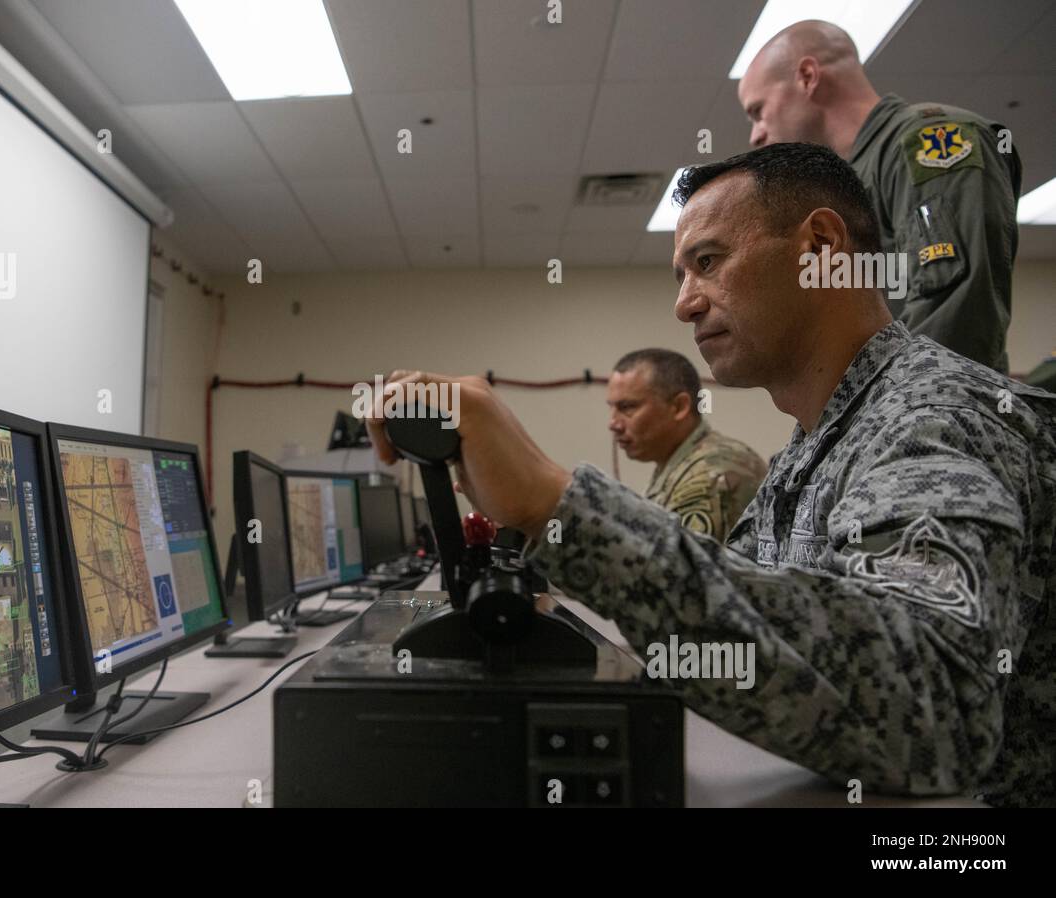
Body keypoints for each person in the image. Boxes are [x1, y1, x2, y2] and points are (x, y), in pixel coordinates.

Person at [367, 144, 1055, 807]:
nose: (685, 303)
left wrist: (556, 503)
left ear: (820, 248)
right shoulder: (812, 448)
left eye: (708, 261)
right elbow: (742, 628)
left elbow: (934, 712)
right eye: (682, 275)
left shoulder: (934, 417)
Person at [737, 20, 1023, 374]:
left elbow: (955, 316)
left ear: (808, 77)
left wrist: (885, 418)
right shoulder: (839, 188)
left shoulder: (930, 140)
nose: (755, 135)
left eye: (757, 112)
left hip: (932, 415)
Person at [607, 348, 764, 542]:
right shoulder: (680, 463)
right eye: (612, 408)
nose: (613, 423)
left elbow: (675, 567)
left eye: (627, 407)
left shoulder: (711, 474)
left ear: (679, 407)